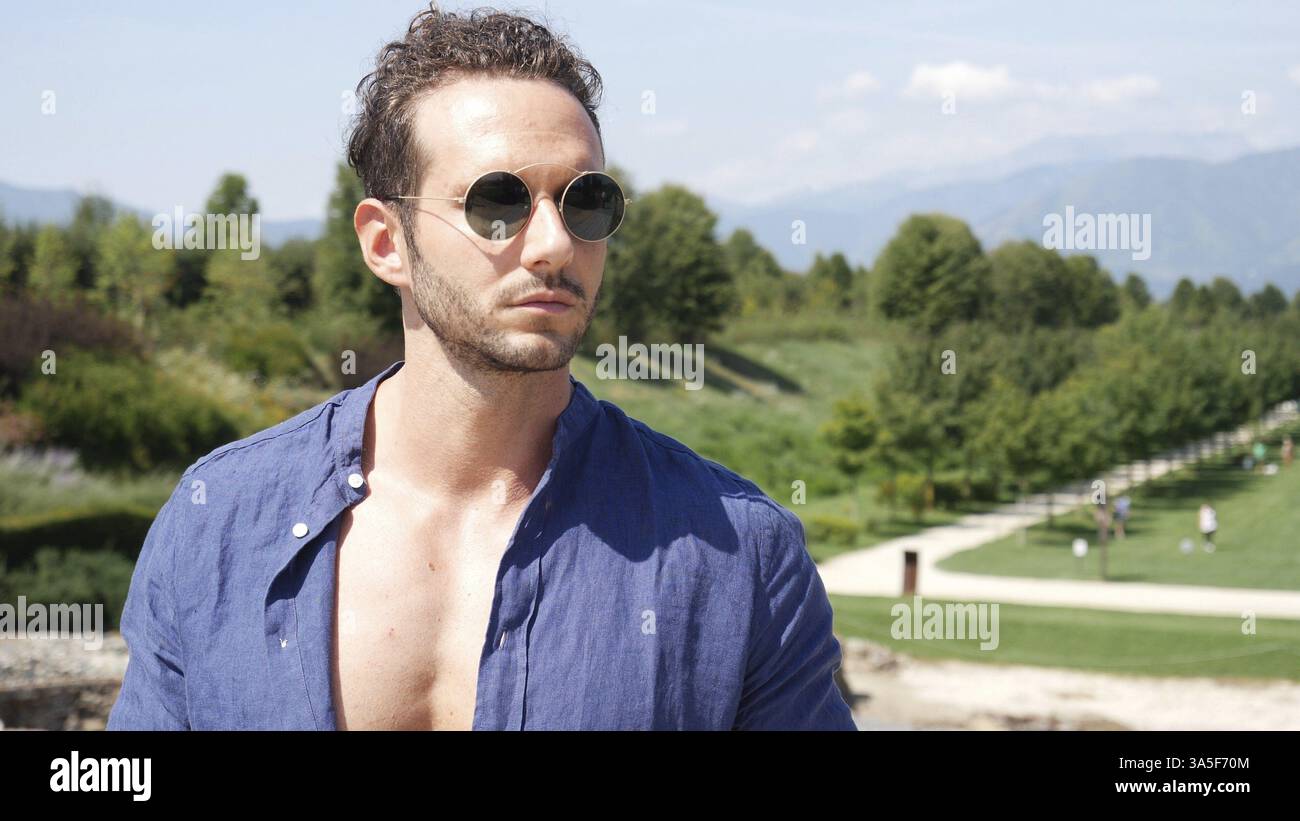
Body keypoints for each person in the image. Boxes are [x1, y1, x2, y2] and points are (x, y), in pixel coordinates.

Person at [107, 5, 854, 731]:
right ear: (385, 242)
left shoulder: (736, 555)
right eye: (499, 202)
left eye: (585, 200)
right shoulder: (220, 523)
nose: (554, 244)